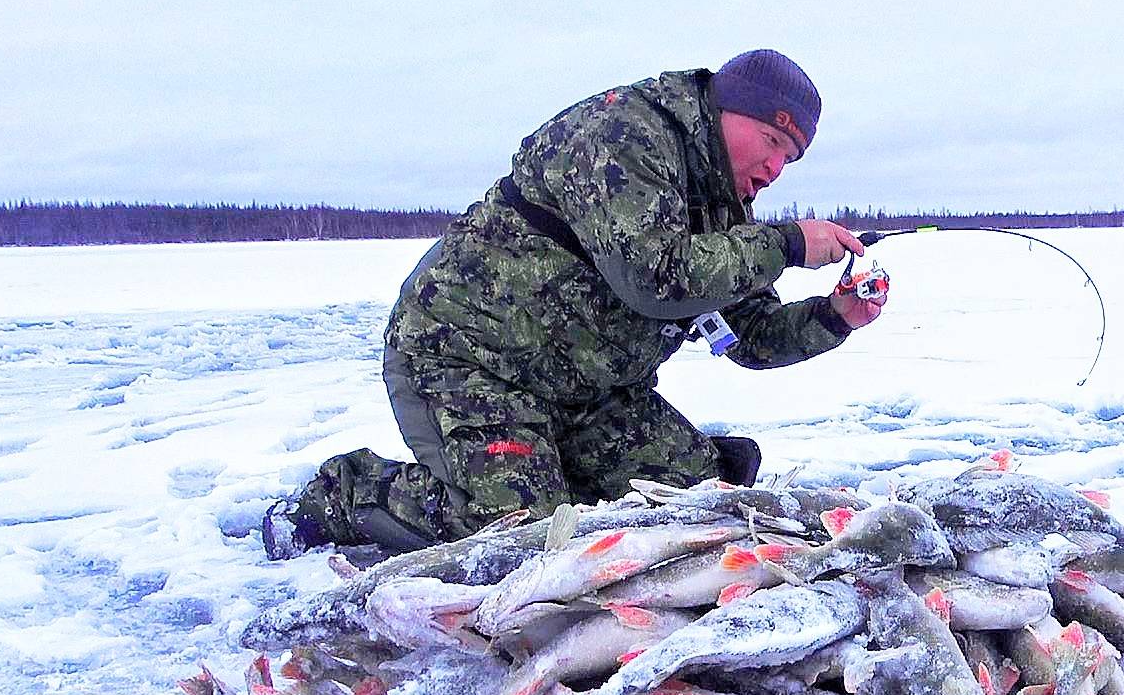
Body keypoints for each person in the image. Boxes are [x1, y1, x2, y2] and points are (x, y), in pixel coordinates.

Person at [262, 49, 881, 559]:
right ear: (726, 108)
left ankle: (567, 470)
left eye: (790, 158)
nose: (776, 168)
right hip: (471, 363)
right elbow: (656, 277)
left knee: (698, 511)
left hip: (588, 389)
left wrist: (836, 316)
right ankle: (347, 494)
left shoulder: (721, 202)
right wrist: (786, 243)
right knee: (524, 546)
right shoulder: (626, 136)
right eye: (771, 140)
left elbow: (748, 335)